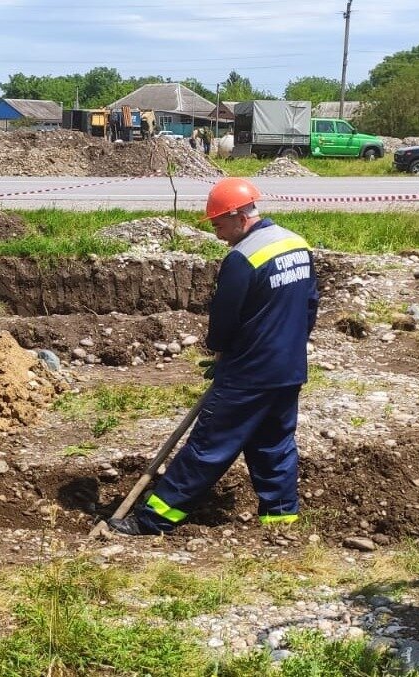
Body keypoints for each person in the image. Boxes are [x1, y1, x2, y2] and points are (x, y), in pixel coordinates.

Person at [107, 178, 320, 535]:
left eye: (220, 225)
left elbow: (224, 320)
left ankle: (153, 520)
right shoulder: (295, 244)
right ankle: (281, 521)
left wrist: (222, 354)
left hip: (249, 373)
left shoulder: (242, 258)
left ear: (239, 216)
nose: (218, 234)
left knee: (209, 447)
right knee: (274, 443)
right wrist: (290, 344)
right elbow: (310, 305)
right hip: (289, 368)